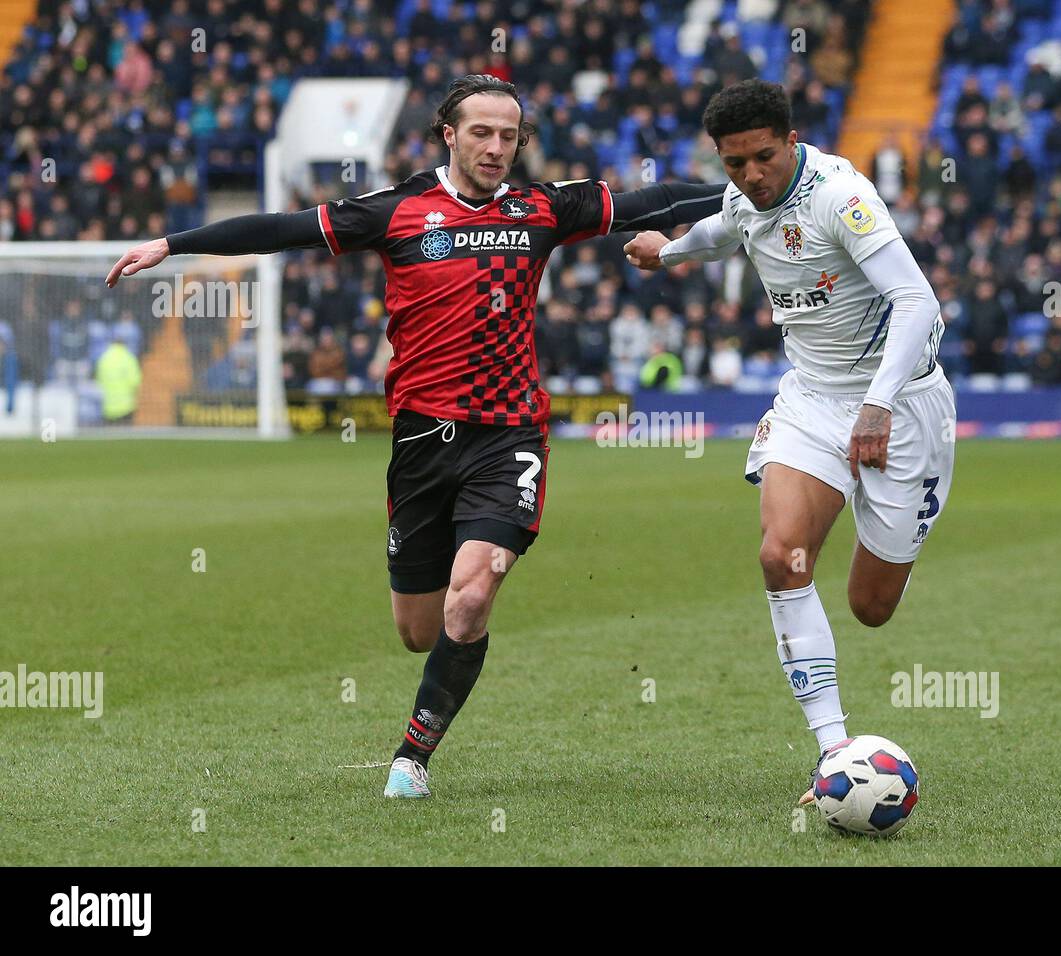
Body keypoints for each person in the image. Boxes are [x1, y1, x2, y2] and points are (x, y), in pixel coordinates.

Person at [106, 74, 725, 799]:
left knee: (471, 598)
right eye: (482, 133)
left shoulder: (544, 208)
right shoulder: (396, 211)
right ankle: (446, 669)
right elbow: (282, 228)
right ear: (449, 134)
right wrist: (171, 244)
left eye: (510, 135)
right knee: (420, 627)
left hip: (509, 434)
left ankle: (411, 758)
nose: (497, 148)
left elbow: (659, 201)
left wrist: (771, 183)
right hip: (421, 443)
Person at [624, 80, 954, 810]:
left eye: (763, 158)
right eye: (734, 162)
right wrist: (669, 253)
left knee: (871, 607)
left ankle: (897, 523)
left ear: (792, 141)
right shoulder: (745, 196)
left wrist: (877, 405)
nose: (750, 175)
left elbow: (917, 300)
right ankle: (834, 750)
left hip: (900, 405)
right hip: (810, 401)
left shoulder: (841, 195)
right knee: (781, 555)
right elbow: (722, 228)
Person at [95, 337, 143, 425]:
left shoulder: (104, 358)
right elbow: (135, 381)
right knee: (125, 436)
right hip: (125, 407)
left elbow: (98, 380)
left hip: (107, 407)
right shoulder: (128, 357)